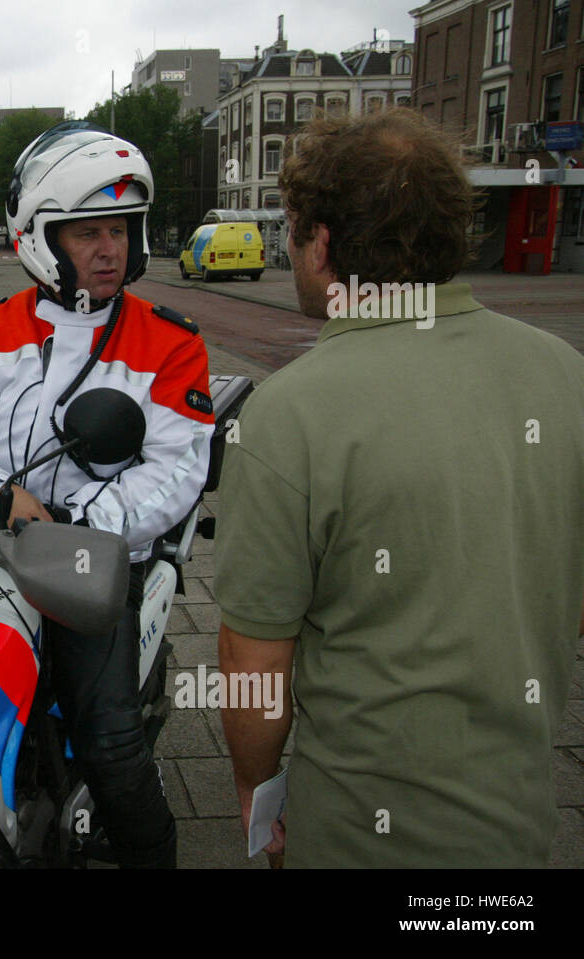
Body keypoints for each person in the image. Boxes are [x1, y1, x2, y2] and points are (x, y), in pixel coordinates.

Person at [213, 108, 584, 868]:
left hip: (357, 833)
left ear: (322, 243)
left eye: (291, 230)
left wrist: (255, 785)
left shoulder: (289, 414)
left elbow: (255, 665)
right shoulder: (566, 374)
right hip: (517, 825)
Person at [0, 122, 215, 868]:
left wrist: (83, 523)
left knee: (112, 742)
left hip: (98, 564)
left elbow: (177, 469)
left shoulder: (171, 341)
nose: (108, 248)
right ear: (39, 238)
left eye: (118, 229)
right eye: (86, 232)